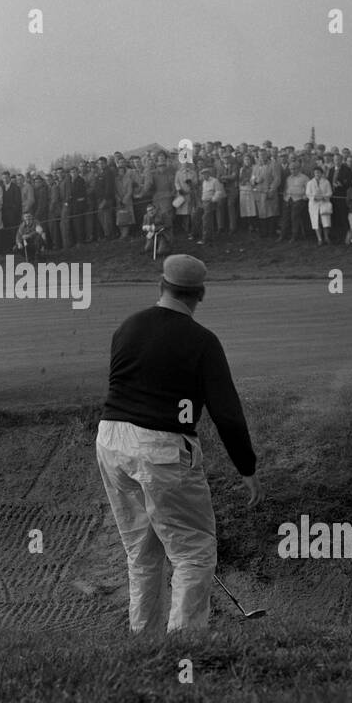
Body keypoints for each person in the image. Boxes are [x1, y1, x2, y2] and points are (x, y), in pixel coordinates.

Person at [96, 254, 263, 637]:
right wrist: (247, 469)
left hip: (110, 440)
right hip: (163, 447)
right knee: (193, 553)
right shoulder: (202, 341)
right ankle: (184, 649)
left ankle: (146, 644)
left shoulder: (127, 327)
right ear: (200, 294)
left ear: (161, 285)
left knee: (142, 554)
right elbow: (228, 415)